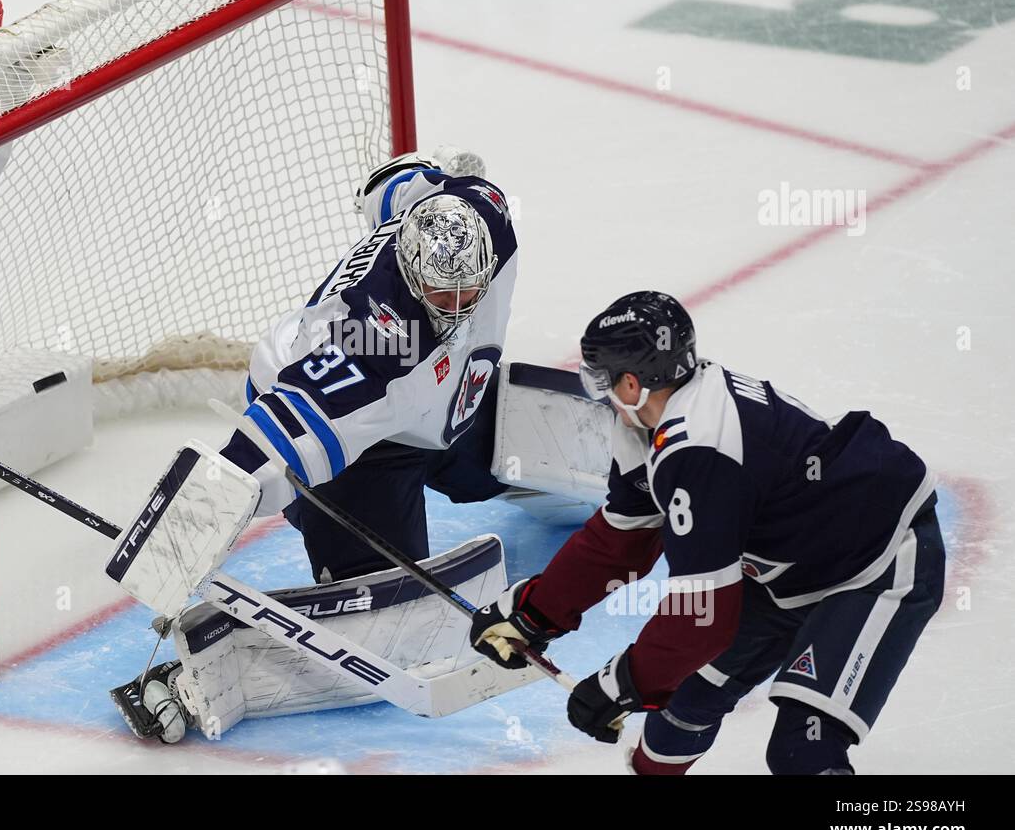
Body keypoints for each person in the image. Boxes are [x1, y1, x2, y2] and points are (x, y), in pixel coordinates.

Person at [470, 291, 944, 774]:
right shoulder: (650, 422)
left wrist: (620, 683)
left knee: (803, 750)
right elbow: (620, 541)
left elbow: (704, 613)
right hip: (790, 569)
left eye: (601, 377)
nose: (598, 390)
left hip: (873, 564)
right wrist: (534, 611)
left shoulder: (698, 448)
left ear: (631, 383)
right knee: (678, 710)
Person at [218, 146, 517, 583]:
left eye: (468, 291)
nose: (456, 307)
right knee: (383, 579)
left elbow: (398, 187)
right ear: (411, 273)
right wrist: (204, 512)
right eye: (440, 294)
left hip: (438, 400)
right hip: (344, 421)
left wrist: (412, 176)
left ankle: (475, 469)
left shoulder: (486, 208)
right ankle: (342, 543)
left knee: (486, 469)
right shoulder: (377, 347)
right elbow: (276, 442)